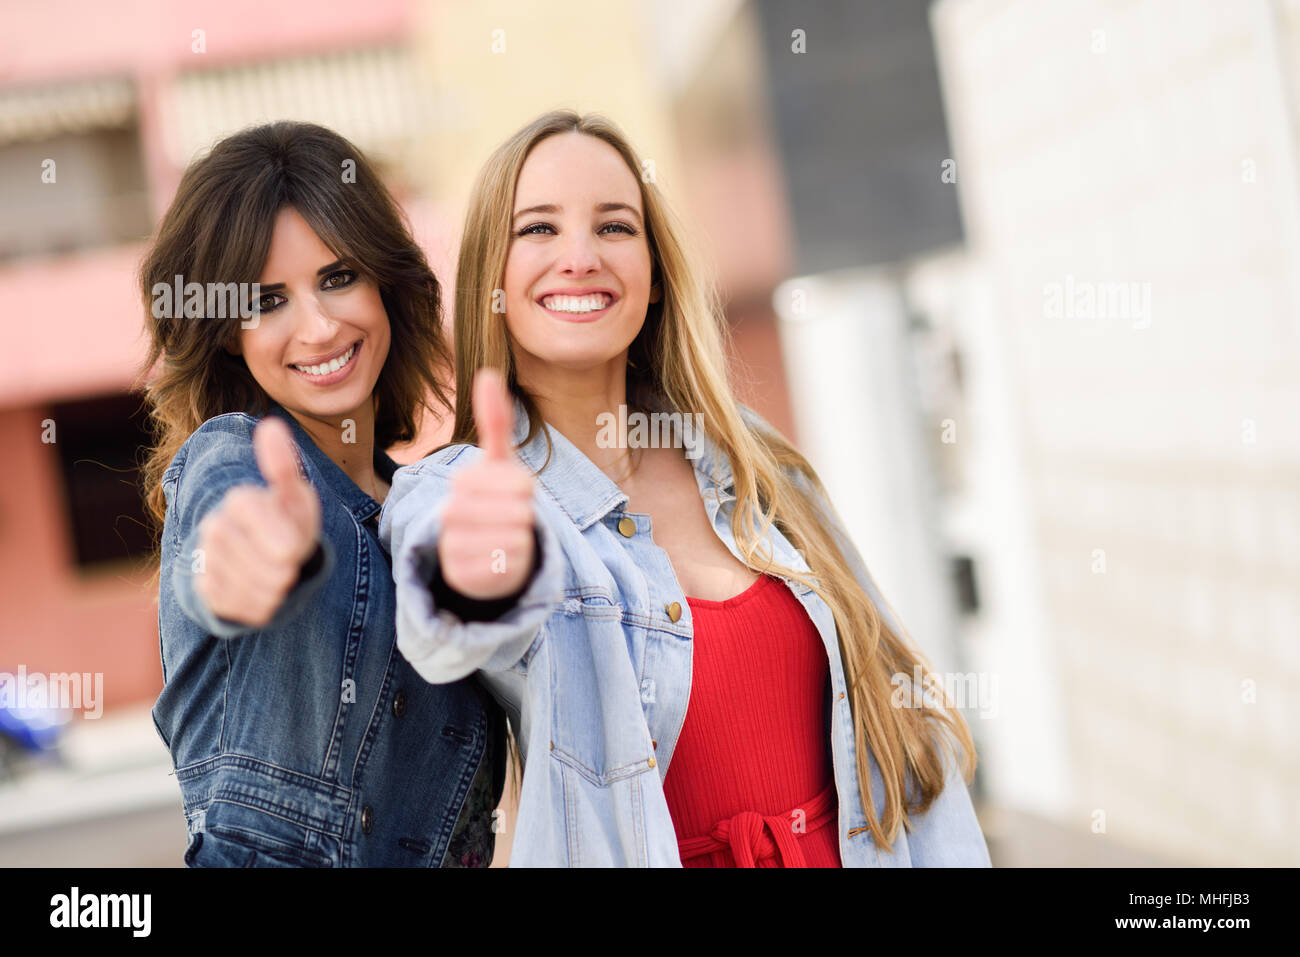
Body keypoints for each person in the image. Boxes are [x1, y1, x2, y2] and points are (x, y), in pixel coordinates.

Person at [380, 110, 992, 867]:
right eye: (537, 229)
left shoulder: (753, 459)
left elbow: (906, 743)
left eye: (614, 227)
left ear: (656, 273)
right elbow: (447, 619)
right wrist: (482, 574)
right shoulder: (461, 492)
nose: (580, 257)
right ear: (489, 277)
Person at [139, 121, 504, 867]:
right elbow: (220, 541)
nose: (319, 326)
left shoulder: (433, 503)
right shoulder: (234, 457)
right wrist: (246, 565)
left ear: (384, 283)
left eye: (338, 277)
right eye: (268, 300)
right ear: (226, 332)